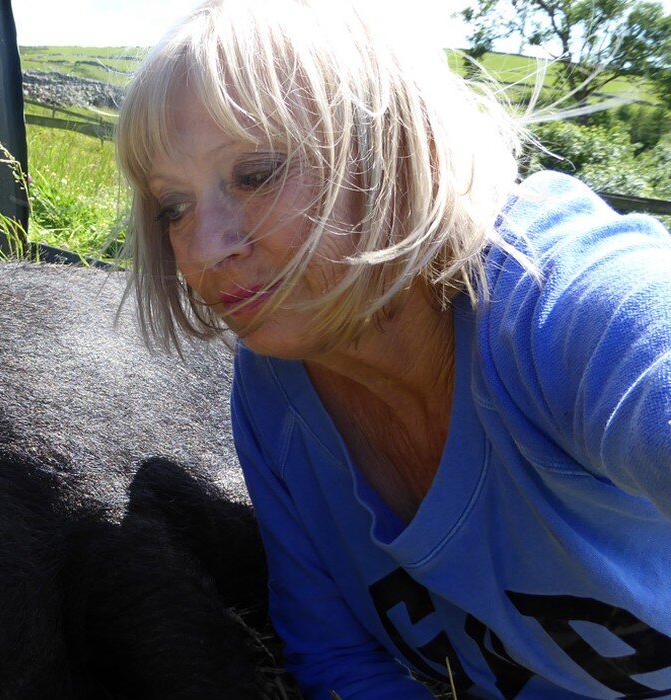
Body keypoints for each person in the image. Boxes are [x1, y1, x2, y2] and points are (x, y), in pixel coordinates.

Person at [114, 0, 671, 697]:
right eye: (174, 206)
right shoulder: (274, 392)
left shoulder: (573, 308)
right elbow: (336, 656)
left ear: (391, 148)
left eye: (255, 172)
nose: (203, 248)